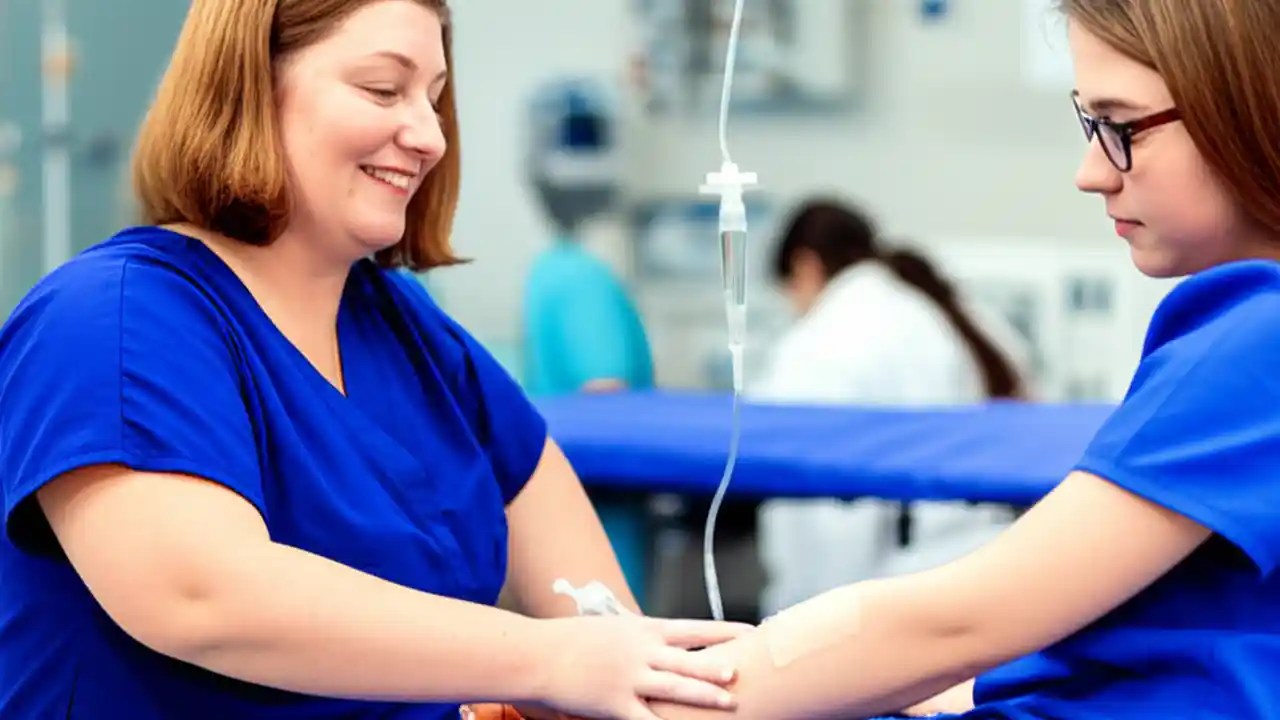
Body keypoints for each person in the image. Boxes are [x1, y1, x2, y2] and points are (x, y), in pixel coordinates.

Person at [0, 2, 747, 719]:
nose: (430, 135)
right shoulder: (112, 317)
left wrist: (642, 676)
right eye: (384, 89)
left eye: (435, 98)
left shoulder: (412, 336)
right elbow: (198, 596)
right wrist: (548, 660)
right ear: (250, 84)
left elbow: (604, 621)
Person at [646, 0, 1280, 717]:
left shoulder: (1257, 340)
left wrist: (664, 695)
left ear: (1246, 106)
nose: (1090, 172)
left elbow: (956, 625)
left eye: (1120, 127)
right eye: (1090, 125)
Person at [752, 199, 1027, 615]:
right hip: (973, 560)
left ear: (805, 267)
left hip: (892, 584)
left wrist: (793, 615)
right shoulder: (926, 310)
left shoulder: (824, 341)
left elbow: (820, 517)